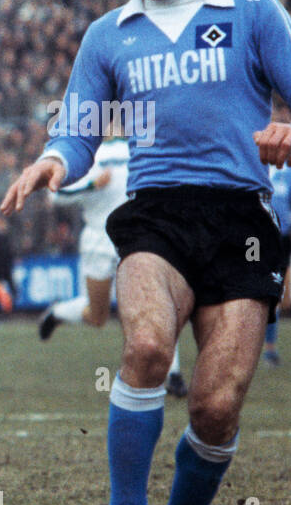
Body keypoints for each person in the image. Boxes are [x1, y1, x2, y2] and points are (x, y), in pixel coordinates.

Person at [1, 0, 291, 505]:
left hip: (241, 220)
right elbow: (77, 129)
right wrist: (50, 162)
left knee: (216, 402)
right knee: (141, 346)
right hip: (156, 214)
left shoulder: (251, 9)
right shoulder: (110, 35)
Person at [39, 136, 187, 397]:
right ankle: (58, 312)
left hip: (137, 237)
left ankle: (173, 374)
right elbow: (56, 196)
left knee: (155, 306)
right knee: (98, 316)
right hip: (98, 239)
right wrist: (93, 185)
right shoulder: (81, 154)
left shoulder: (141, 146)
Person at [261, 163, 291, 366]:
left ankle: (270, 348)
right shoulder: (256, 164)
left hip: (282, 238)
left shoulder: (290, 175)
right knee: (252, 286)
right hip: (255, 237)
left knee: (274, 292)